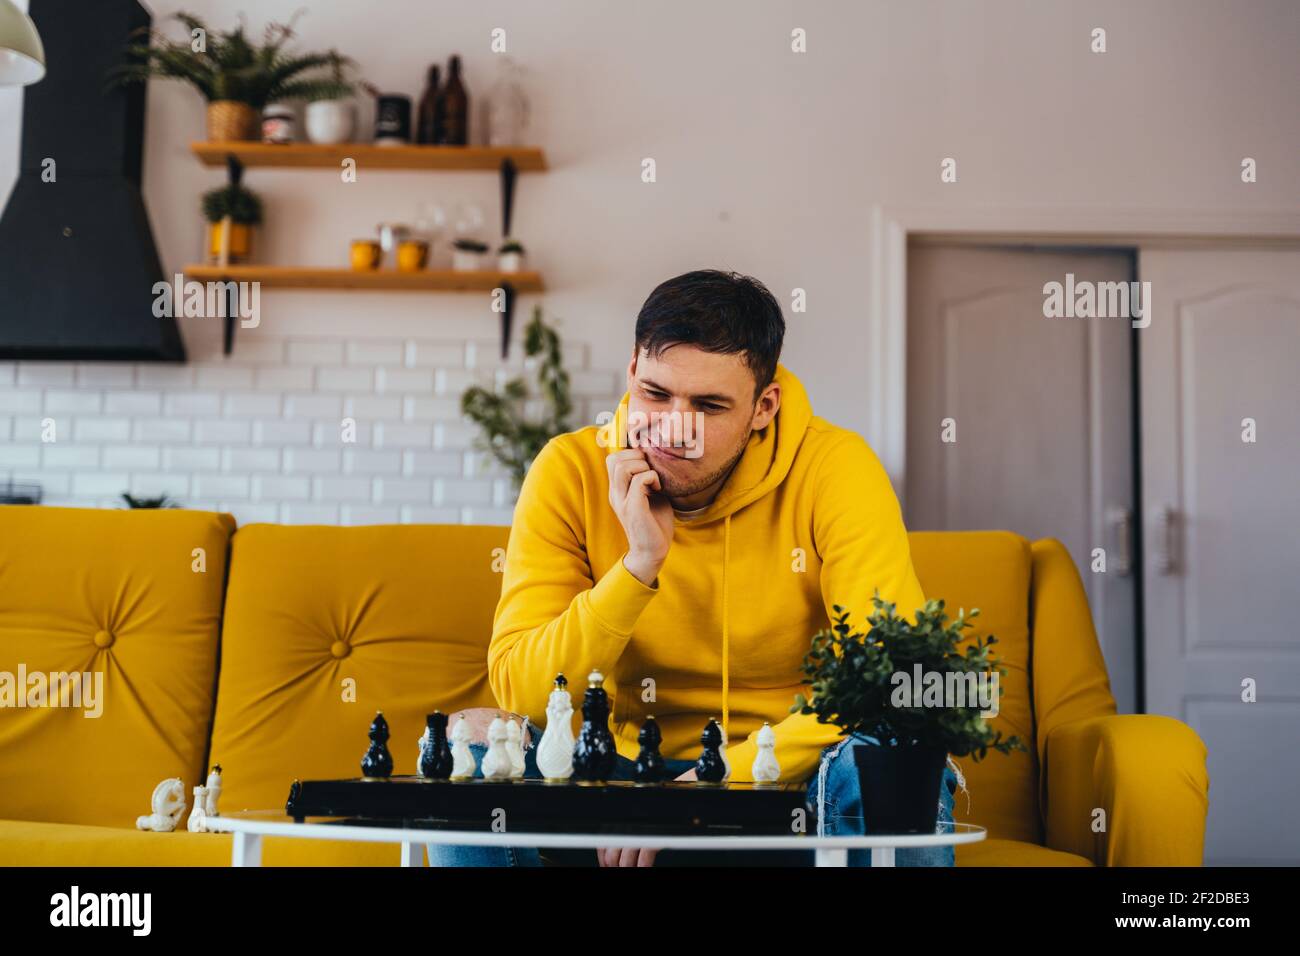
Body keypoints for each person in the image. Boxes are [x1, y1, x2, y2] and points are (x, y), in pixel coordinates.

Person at [430, 270, 964, 866]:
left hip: (785, 781)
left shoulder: (836, 469)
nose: (671, 431)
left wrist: (712, 782)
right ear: (632, 372)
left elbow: (888, 680)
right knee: (469, 752)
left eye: (708, 406)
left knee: (899, 747)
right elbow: (526, 694)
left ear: (764, 406)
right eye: (655, 395)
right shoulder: (567, 470)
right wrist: (638, 567)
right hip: (615, 775)